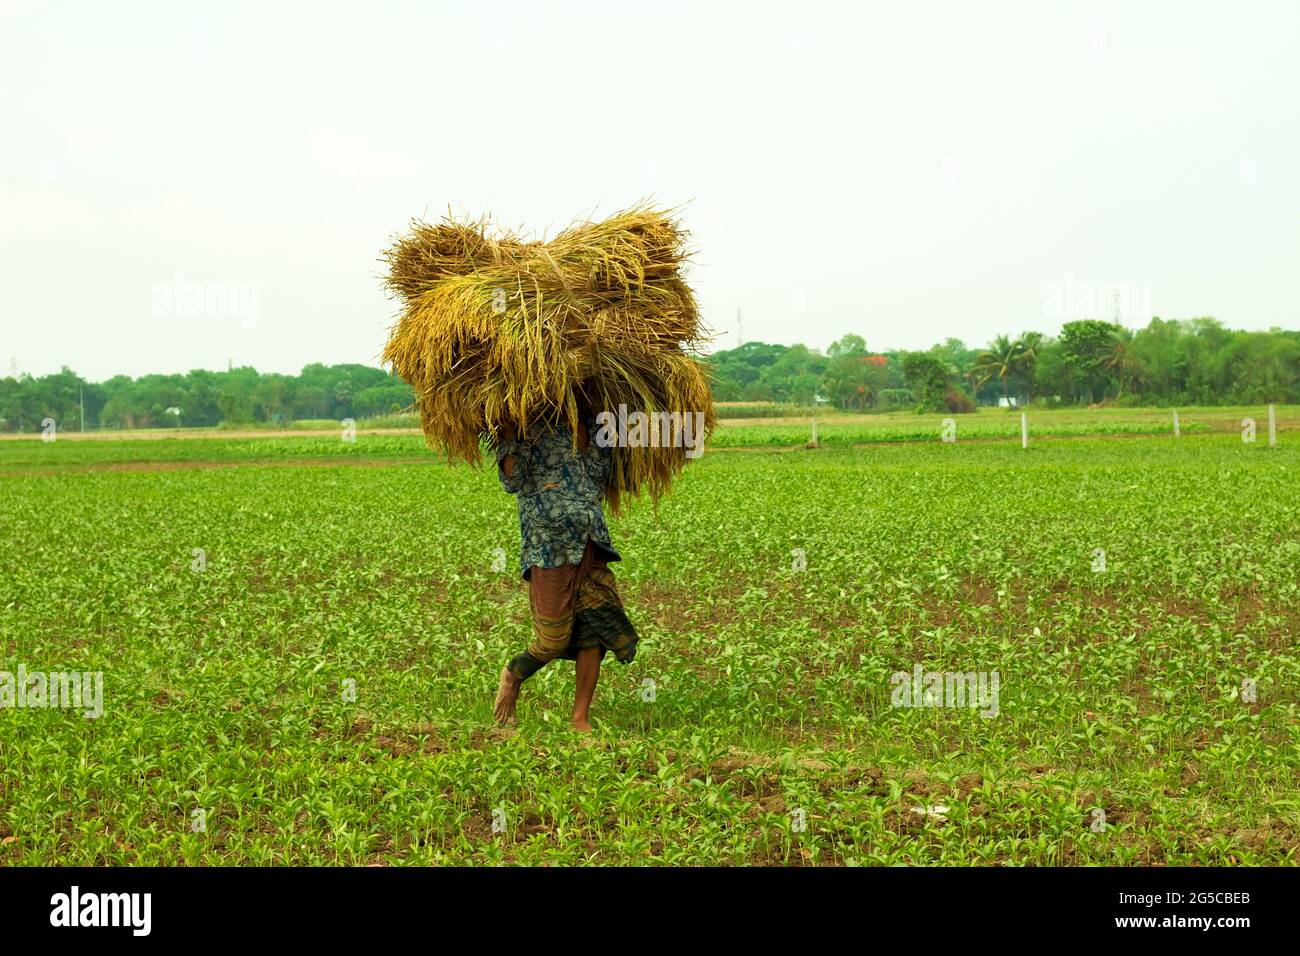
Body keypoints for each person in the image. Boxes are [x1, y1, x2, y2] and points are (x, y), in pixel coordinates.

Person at [491, 404, 638, 732]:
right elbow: (511, 481)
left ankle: (579, 719)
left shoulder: (599, 427)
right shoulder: (530, 425)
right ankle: (513, 675)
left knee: (594, 633)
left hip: (592, 541)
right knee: (552, 640)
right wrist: (511, 435)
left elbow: (622, 478)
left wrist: (664, 449)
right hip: (549, 549)